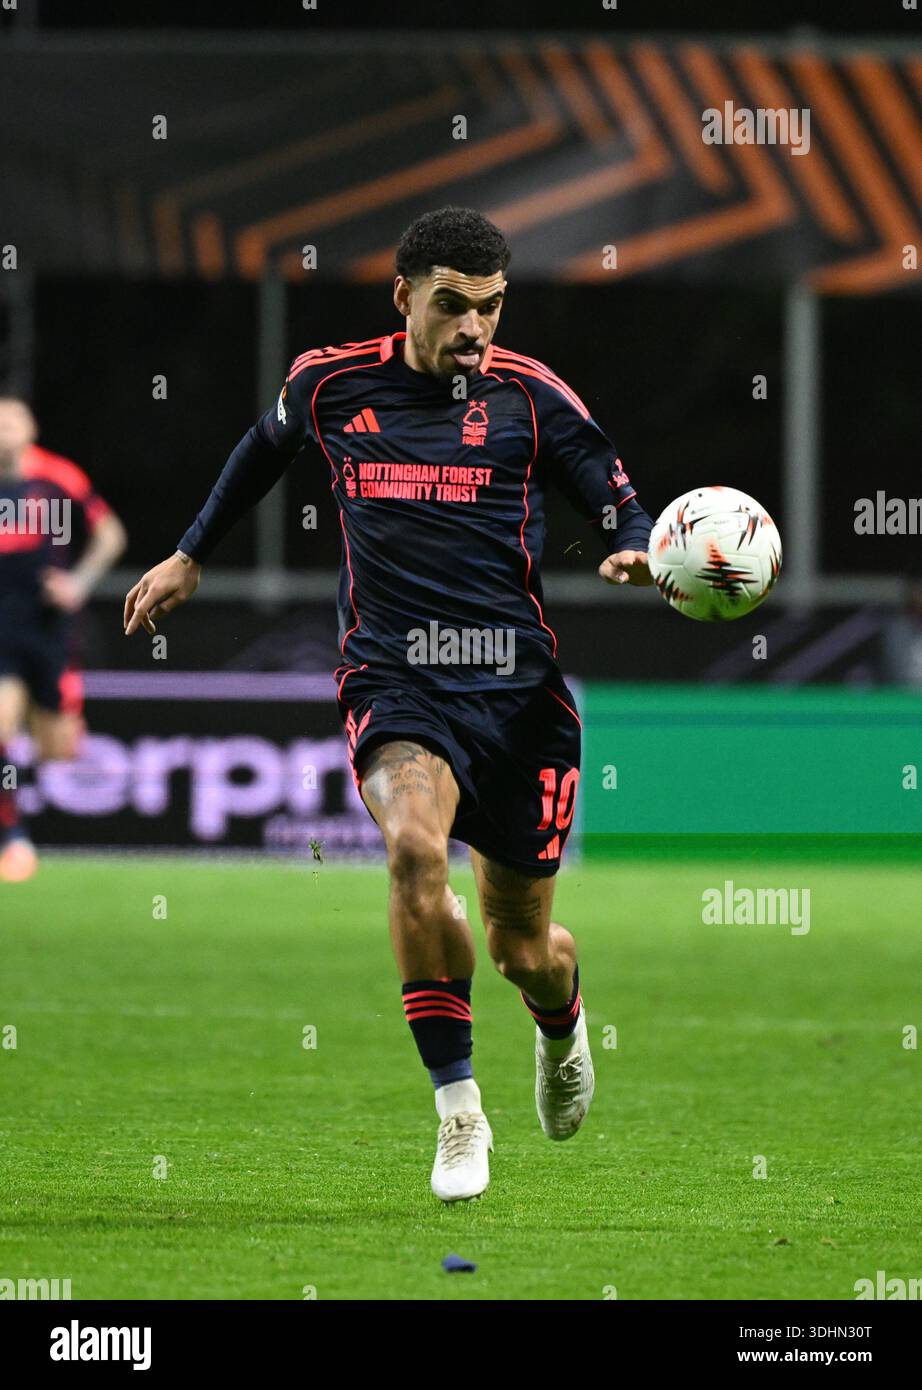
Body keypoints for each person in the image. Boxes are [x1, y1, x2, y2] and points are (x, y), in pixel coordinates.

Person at [124, 207, 653, 1201]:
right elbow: (258, 454)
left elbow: (613, 488)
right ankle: (458, 1112)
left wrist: (634, 540)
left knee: (520, 946)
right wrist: (190, 551)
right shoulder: (329, 382)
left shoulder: (528, 397)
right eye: (452, 306)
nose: (473, 330)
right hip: (395, 677)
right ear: (402, 296)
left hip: (518, 695)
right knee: (412, 850)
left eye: (489, 308)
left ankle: (560, 1018)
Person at [0, 397, 127, 882]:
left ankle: (25, 804)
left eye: (12, 422)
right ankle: (14, 840)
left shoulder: (58, 476)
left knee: (57, 748)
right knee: (2, 727)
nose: (5, 431)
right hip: (3, 628)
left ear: (29, 427)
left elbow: (111, 534)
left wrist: (77, 583)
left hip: (49, 627)